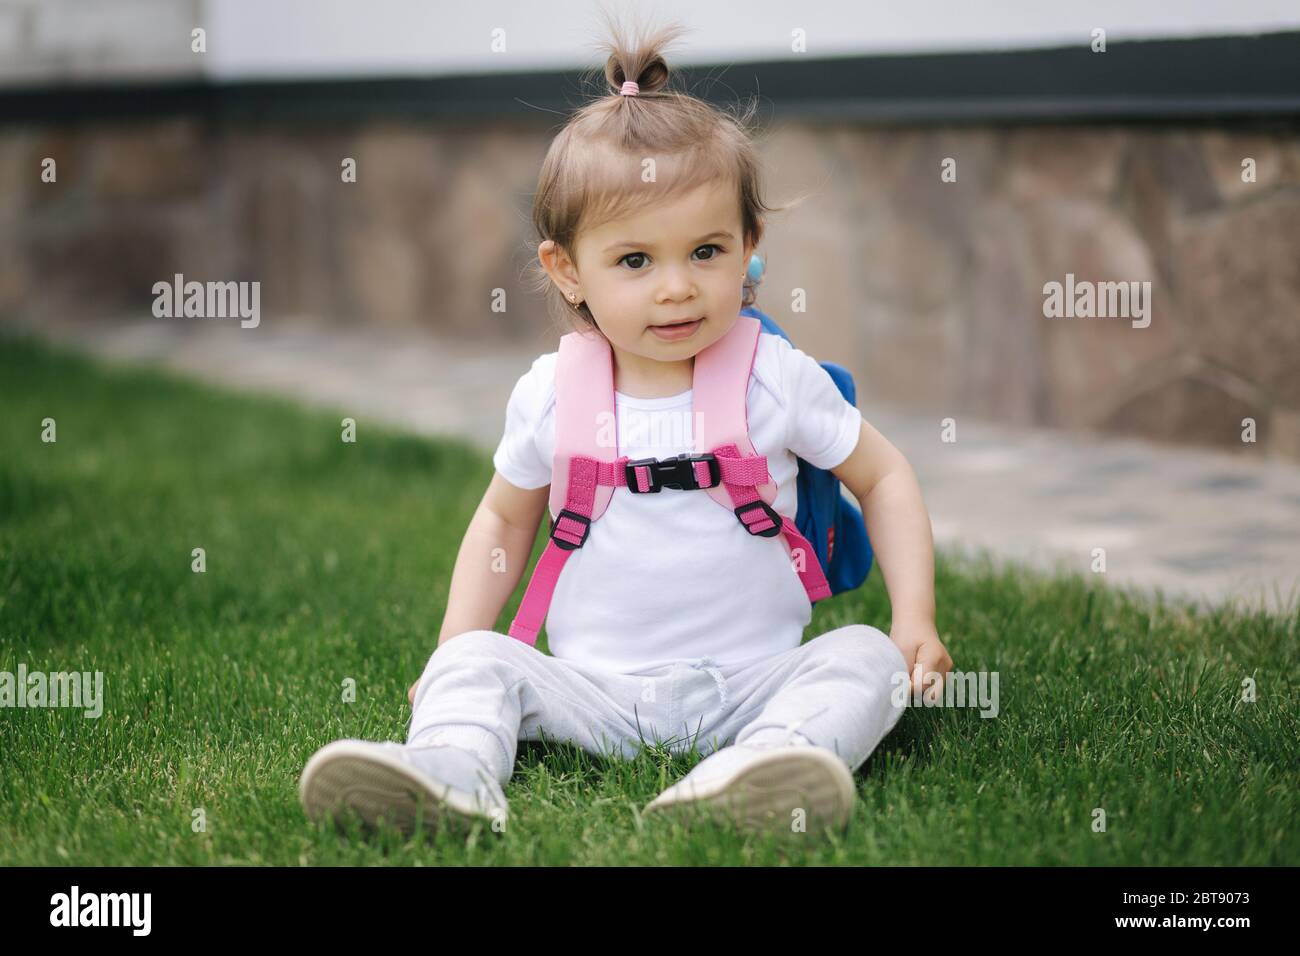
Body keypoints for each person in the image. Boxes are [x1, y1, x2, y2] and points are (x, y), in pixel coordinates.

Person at [299, 13, 952, 839]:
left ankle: (765, 763)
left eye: (706, 252)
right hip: (592, 690)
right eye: (635, 261)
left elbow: (884, 476)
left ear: (751, 243)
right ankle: (449, 774)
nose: (676, 288)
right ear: (567, 270)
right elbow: (504, 518)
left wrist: (913, 618)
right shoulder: (550, 394)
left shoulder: (775, 380)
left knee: (863, 657)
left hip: (754, 680)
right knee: (470, 659)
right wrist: (454, 644)